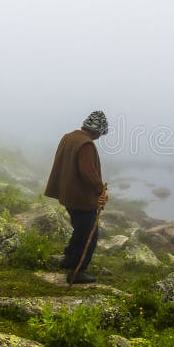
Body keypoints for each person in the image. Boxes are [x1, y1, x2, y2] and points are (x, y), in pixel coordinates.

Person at [44, 110, 109, 284]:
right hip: (81, 199)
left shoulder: (69, 137)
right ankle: (77, 272)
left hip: (68, 196)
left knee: (80, 230)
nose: (99, 137)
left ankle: (69, 259)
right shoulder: (86, 144)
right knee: (89, 234)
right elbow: (88, 172)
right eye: (101, 133)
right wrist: (100, 190)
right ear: (97, 131)